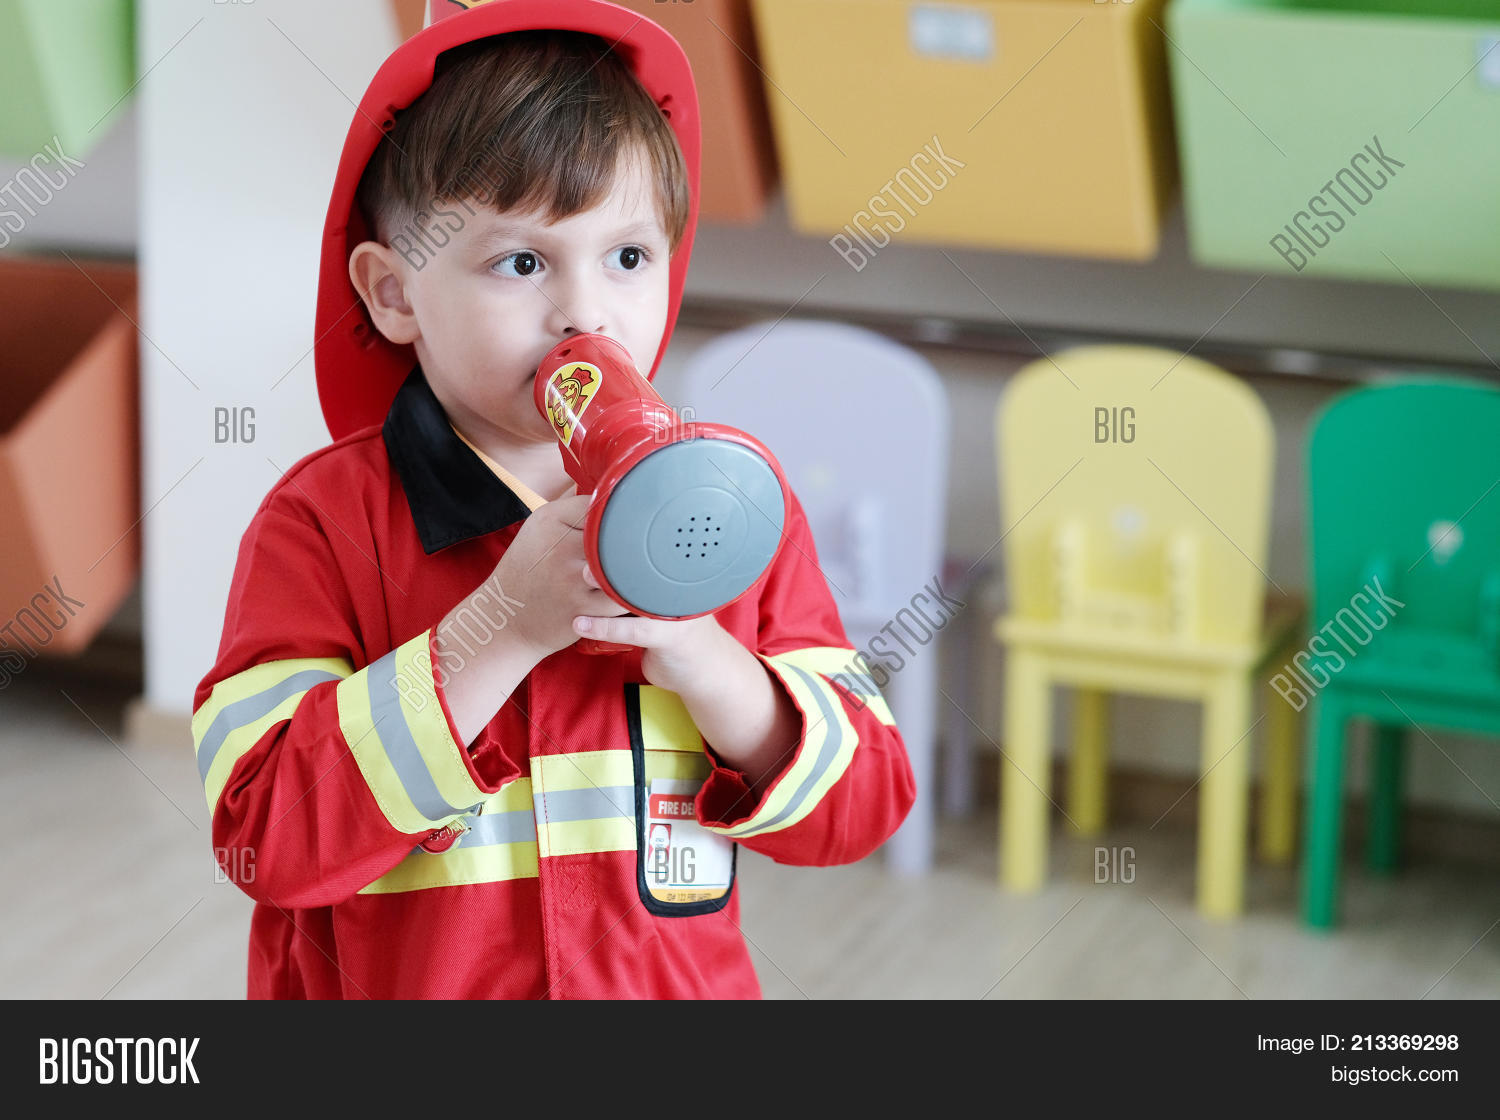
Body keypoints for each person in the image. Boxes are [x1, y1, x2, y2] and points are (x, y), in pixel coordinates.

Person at [193, 0, 915, 999]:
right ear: (393, 293)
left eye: (629, 257)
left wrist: (711, 663)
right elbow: (263, 838)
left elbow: (868, 802)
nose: (586, 310)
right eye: (521, 262)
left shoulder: (730, 505)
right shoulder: (320, 525)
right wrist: (499, 625)